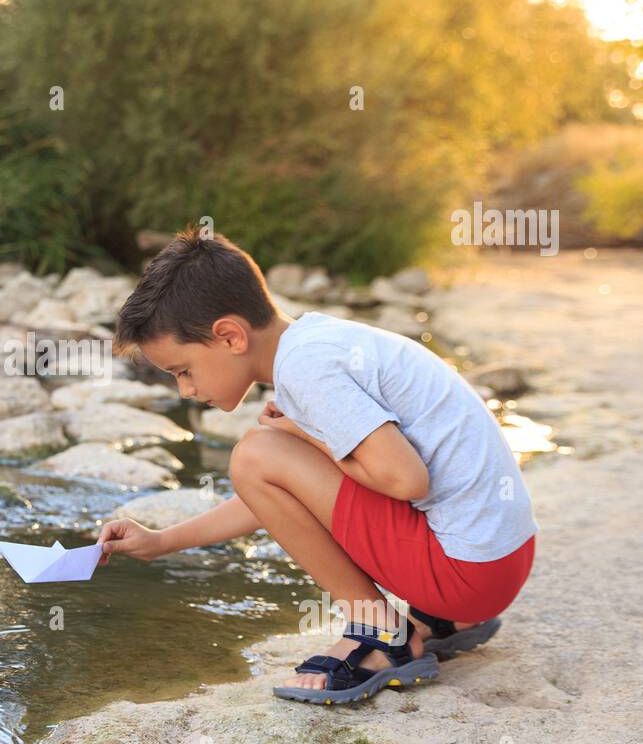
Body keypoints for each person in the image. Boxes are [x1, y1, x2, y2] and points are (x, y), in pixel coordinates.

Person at [96, 225, 539, 705]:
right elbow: (291, 496)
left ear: (228, 336)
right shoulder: (316, 341)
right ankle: (436, 623)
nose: (186, 390)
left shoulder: (308, 371)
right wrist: (163, 541)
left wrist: (304, 434)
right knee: (266, 454)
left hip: (466, 575)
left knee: (255, 453)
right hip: (496, 562)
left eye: (183, 371)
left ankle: (379, 633)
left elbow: (405, 478)